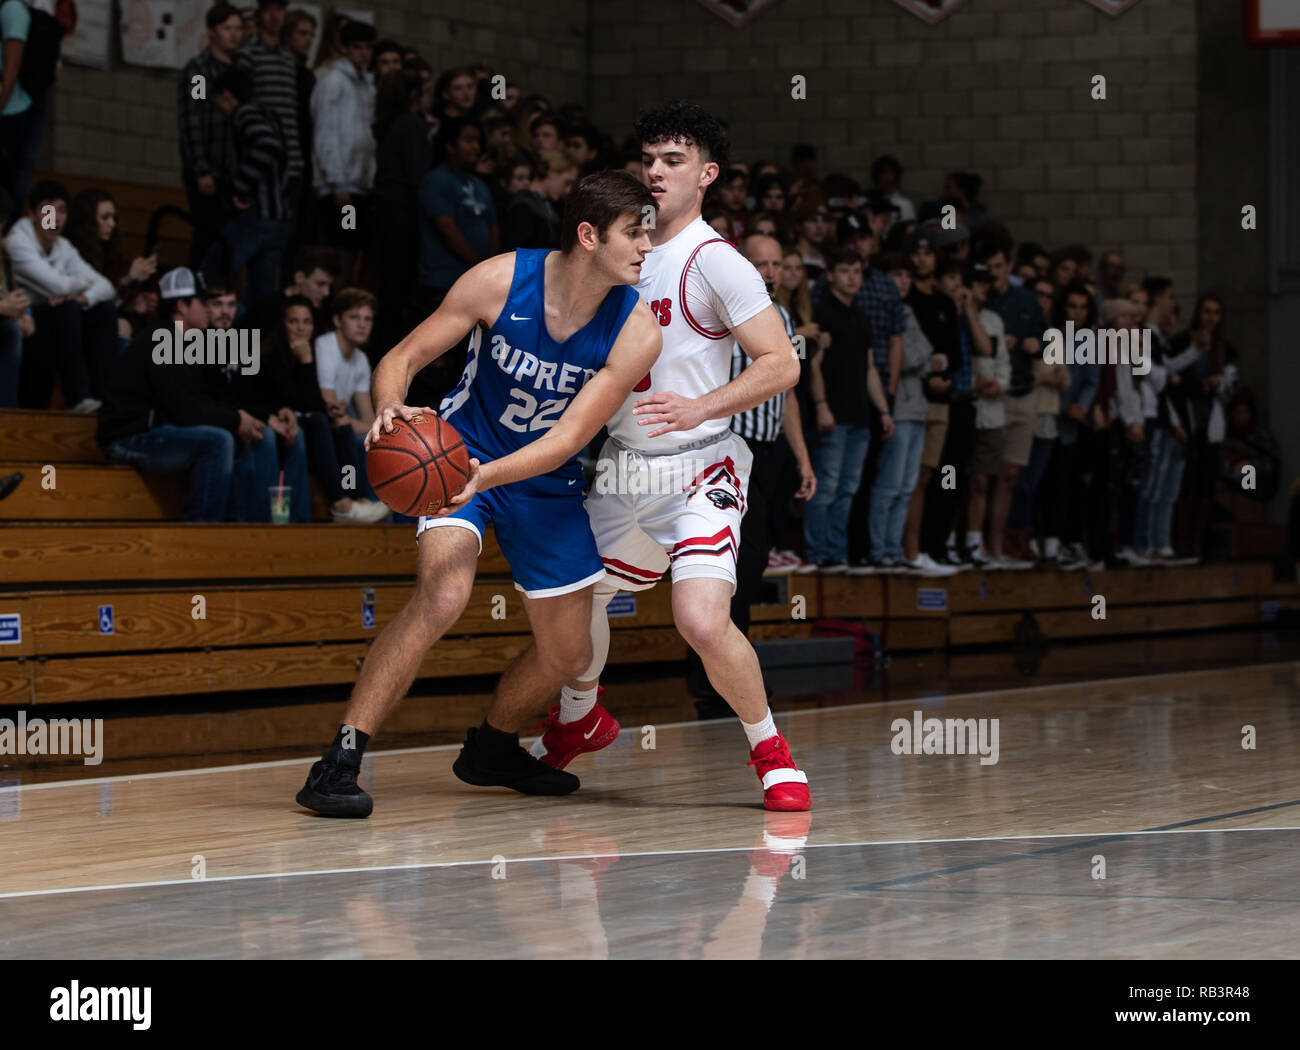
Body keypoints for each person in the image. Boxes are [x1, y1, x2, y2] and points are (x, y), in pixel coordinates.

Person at [296, 171, 663, 816]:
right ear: (588, 235)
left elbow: (570, 437)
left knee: (569, 653)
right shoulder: (500, 280)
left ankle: (492, 746)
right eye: (633, 233)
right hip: (457, 455)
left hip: (545, 481)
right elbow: (402, 357)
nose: (645, 248)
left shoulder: (637, 331)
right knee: (443, 596)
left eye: (649, 234)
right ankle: (339, 760)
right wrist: (388, 408)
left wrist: (488, 476)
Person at [529, 102, 810, 812]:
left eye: (673, 160)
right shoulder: (625, 249)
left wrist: (703, 405)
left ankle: (771, 749)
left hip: (700, 462)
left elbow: (780, 365)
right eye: (648, 158)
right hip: (623, 464)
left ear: (707, 175)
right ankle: (577, 718)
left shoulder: (719, 262)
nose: (655, 171)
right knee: (572, 601)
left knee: (702, 621)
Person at [95, 268, 248, 522]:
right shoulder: (160, 339)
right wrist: (235, 419)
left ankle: (240, 532)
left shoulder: (186, 342)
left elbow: (200, 401)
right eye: (202, 302)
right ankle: (198, 535)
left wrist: (237, 419)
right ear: (182, 306)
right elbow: (185, 410)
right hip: (128, 438)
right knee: (218, 440)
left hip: (154, 433)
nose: (209, 310)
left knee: (236, 437)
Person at [261, 294, 388, 522]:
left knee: (362, 436)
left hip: (316, 418)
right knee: (336, 427)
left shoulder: (358, 358)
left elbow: (368, 420)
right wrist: (308, 362)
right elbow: (312, 402)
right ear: (337, 320)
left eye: (306, 322)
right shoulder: (317, 347)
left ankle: (359, 502)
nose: (300, 328)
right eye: (293, 321)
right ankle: (344, 500)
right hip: (293, 419)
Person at [4, 179, 117, 411]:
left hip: (53, 320)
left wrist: (84, 297)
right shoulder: (17, 240)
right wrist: (82, 285)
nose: (55, 218)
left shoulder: (63, 246)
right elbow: (57, 286)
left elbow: (106, 287)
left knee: (102, 309)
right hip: (27, 320)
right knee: (66, 309)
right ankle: (78, 399)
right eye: (48, 210)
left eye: (62, 211)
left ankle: (102, 397)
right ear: (32, 213)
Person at [205, 67, 289, 306]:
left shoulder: (245, 114)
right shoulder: (269, 115)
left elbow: (267, 146)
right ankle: (256, 340)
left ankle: (197, 336)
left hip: (258, 216)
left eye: (218, 101)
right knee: (261, 293)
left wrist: (240, 186)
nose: (220, 108)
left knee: (214, 271)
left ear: (226, 95)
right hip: (278, 216)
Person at [310, 18, 376, 282]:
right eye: (357, 47)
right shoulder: (333, 81)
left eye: (367, 47)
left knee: (353, 249)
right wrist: (337, 181)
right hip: (339, 186)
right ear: (346, 48)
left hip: (359, 184)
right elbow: (325, 133)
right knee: (339, 252)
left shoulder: (368, 85)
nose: (363, 53)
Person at [178, 3, 243, 270]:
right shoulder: (199, 70)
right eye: (227, 28)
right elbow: (192, 118)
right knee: (206, 236)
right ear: (212, 31)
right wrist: (201, 168)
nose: (233, 34)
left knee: (230, 242)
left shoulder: (242, 68)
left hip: (235, 171)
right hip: (208, 170)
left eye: (238, 28)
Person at [502, 149, 578, 251]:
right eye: (567, 182)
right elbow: (514, 253)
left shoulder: (548, 204)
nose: (568, 190)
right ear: (551, 172)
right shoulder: (523, 205)